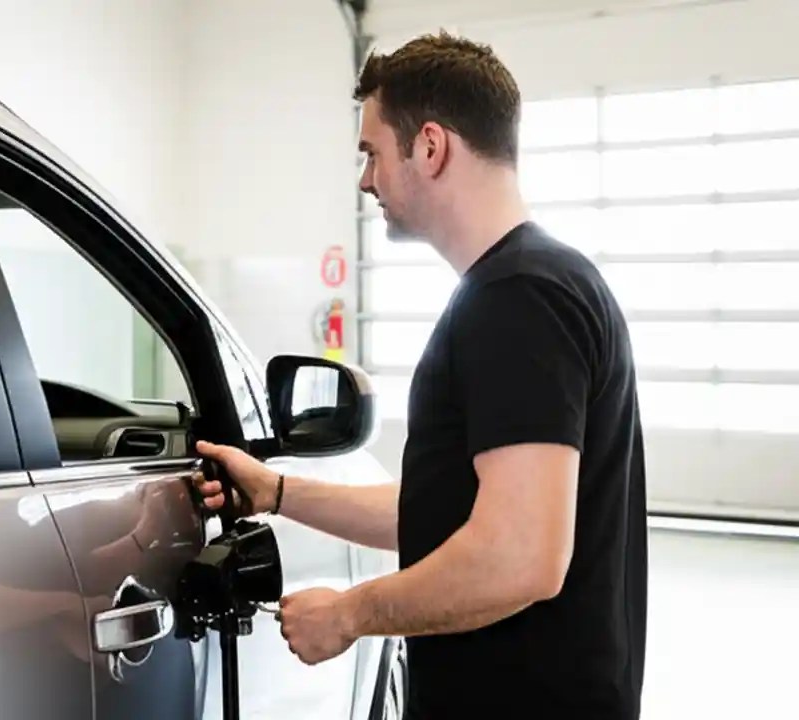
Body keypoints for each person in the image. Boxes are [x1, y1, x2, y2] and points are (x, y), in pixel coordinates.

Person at [195, 32, 646, 719]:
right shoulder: (535, 283)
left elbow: (518, 555)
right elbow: (452, 513)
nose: (366, 179)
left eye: (372, 152)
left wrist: (349, 614)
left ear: (430, 147)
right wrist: (276, 491)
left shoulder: (518, 298)